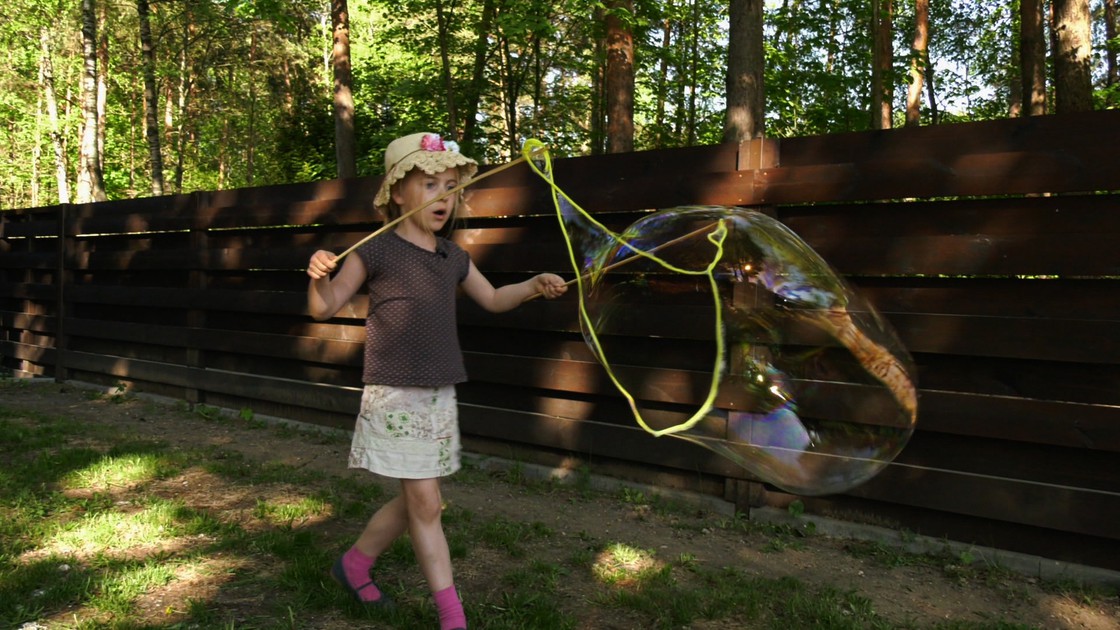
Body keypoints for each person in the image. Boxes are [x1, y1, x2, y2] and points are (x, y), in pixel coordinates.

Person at [306, 132, 567, 630]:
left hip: (438, 394)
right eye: (430, 185)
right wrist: (319, 274)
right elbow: (325, 306)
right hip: (394, 395)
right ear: (397, 193)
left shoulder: (452, 258)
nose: (444, 197)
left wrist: (533, 285)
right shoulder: (375, 251)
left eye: (451, 187)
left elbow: (494, 299)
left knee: (421, 500)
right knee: (426, 502)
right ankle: (453, 618)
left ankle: (354, 565)